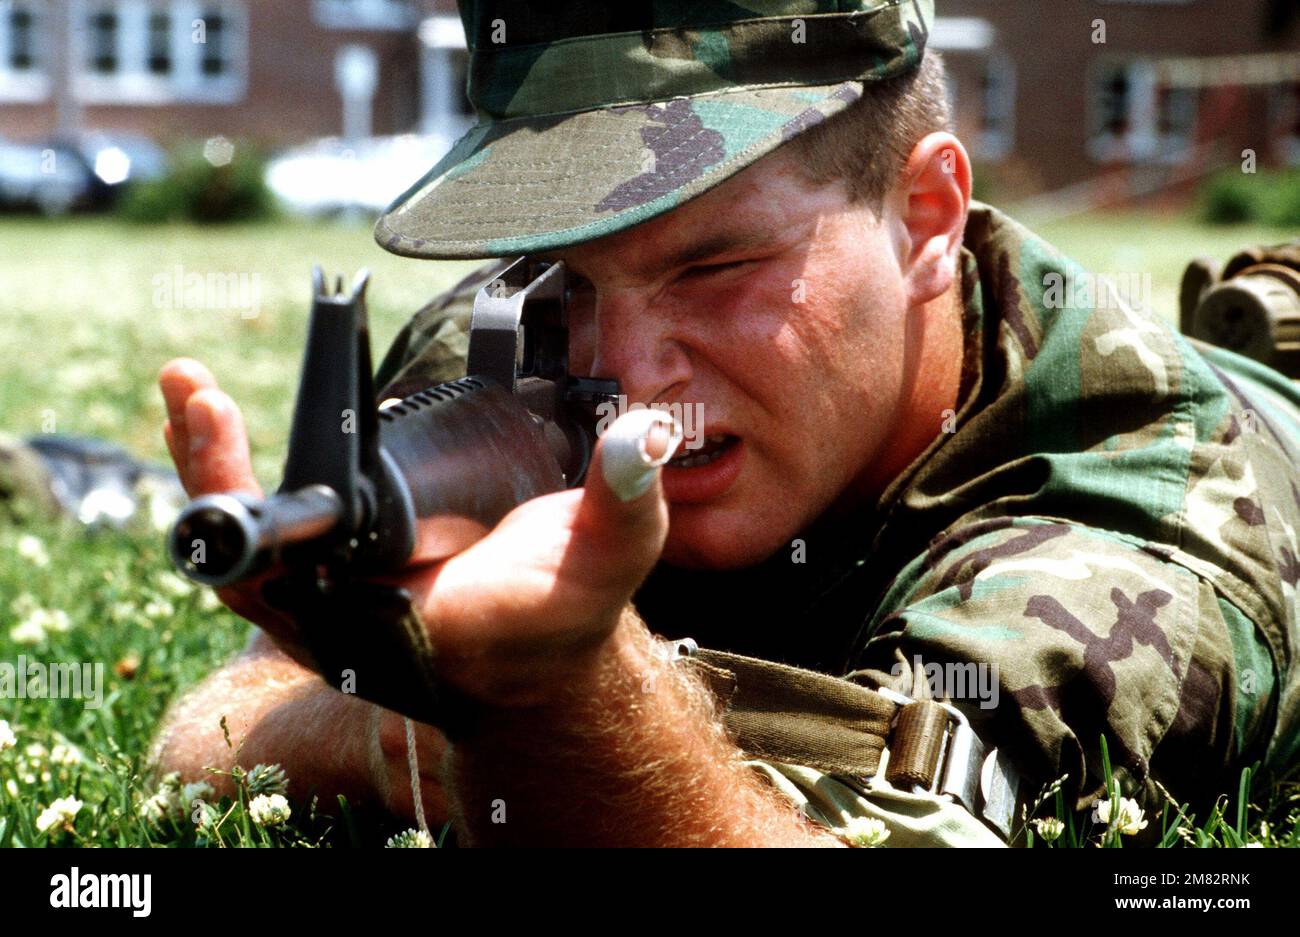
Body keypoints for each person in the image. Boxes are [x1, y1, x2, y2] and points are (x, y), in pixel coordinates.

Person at [150, 0, 1300, 847]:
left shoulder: (1129, 506)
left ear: (927, 216)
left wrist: (548, 706)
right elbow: (211, 733)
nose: (627, 371)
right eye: (570, 273)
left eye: (717, 268)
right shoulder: (524, 347)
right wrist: (382, 701)